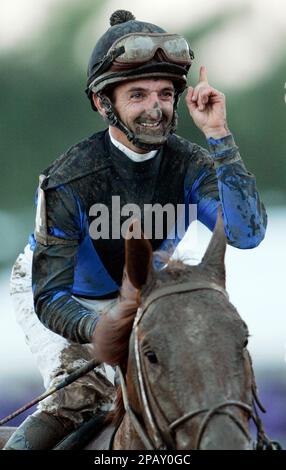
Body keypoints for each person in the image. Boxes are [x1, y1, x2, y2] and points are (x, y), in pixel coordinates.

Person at [4, 9, 267, 450]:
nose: (156, 108)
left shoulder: (192, 165)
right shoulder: (69, 180)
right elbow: (49, 297)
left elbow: (246, 234)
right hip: (65, 296)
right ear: (103, 102)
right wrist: (100, 327)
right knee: (79, 398)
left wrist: (220, 136)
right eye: (138, 94)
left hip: (148, 292)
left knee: (201, 382)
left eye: (165, 94)